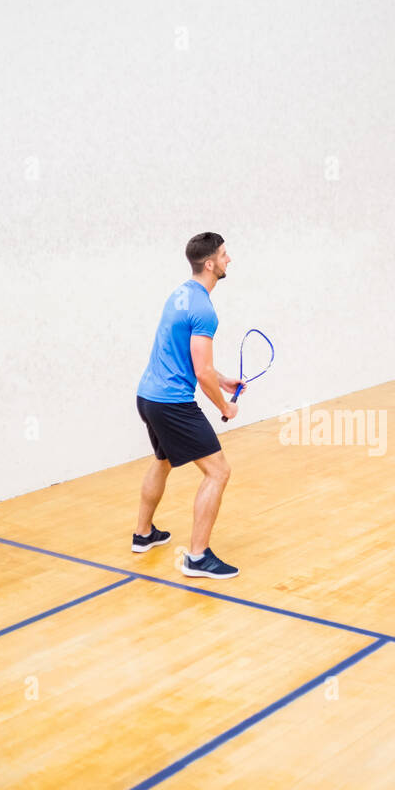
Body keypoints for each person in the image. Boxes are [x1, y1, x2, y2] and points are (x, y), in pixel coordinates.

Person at [131, 232, 246, 580]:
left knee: (163, 460)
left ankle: (144, 534)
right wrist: (224, 406)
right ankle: (197, 557)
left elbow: (187, 357)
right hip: (172, 404)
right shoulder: (204, 309)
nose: (229, 260)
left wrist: (221, 379)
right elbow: (201, 371)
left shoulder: (180, 294)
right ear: (210, 263)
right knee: (218, 471)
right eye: (224, 255)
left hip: (148, 397)